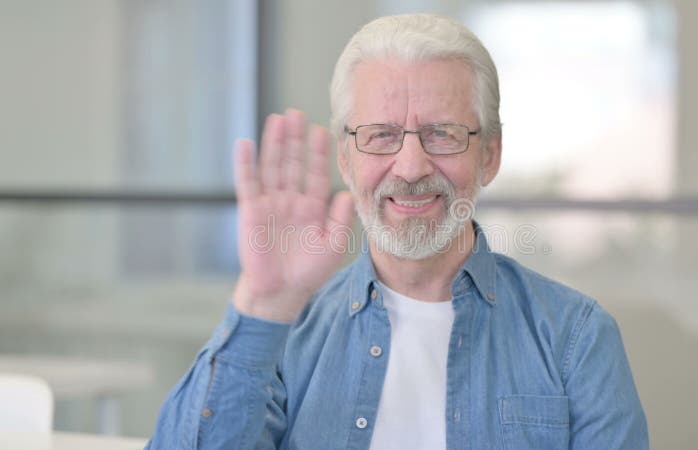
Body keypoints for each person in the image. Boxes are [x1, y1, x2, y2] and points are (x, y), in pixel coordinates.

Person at [146, 13, 648, 449]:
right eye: (381, 135)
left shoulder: (577, 340)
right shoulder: (287, 333)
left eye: (442, 134)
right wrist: (262, 305)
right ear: (346, 157)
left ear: (489, 155)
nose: (410, 166)